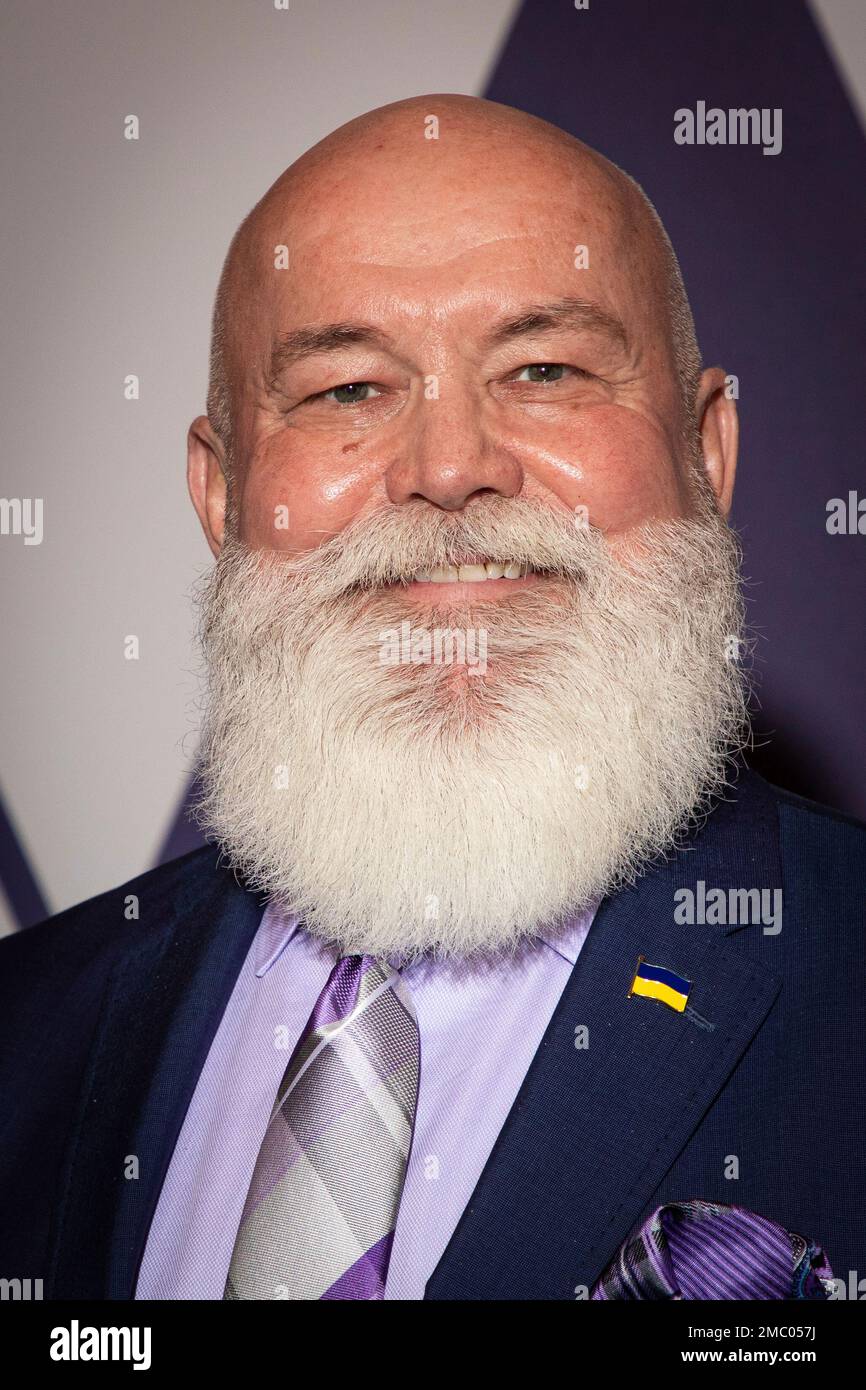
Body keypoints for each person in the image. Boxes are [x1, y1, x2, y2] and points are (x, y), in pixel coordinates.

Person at [1, 94, 863, 1302]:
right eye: (348, 389)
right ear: (222, 490)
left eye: (545, 368)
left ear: (703, 453)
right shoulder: (27, 1031)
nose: (449, 465)